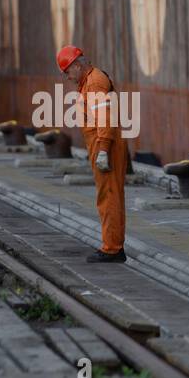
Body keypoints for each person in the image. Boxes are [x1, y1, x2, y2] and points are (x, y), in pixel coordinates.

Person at [57, 45, 127, 263]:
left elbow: (104, 118)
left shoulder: (95, 82)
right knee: (108, 195)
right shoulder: (88, 81)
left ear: (77, 66)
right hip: (101, 145)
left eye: (68, 72)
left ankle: (112, 248)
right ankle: (114, 245)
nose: (68, 78)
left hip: (105, 146)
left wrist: (104, 150)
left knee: (108, 197)